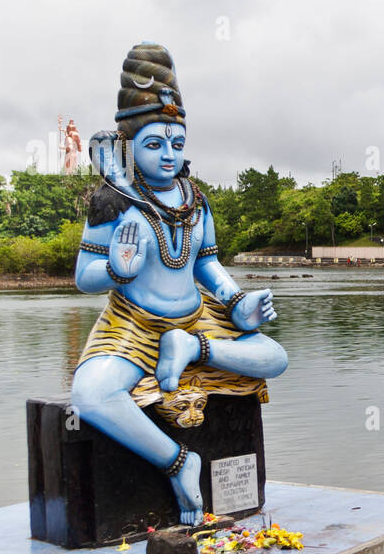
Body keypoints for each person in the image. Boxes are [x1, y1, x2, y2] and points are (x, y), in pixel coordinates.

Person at [71, 42, 289, 525]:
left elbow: (206, 266)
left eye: (176, 142)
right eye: (154, 144)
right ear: (129, 147)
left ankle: (192, 349)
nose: (168, 154)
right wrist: (117, 270)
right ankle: (177, 461)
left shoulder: (195, 199)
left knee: (275, 357)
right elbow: (84, 278)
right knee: (90, 394)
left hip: (197, 321)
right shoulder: (112, 203)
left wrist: (237, 302)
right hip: (132, 326)